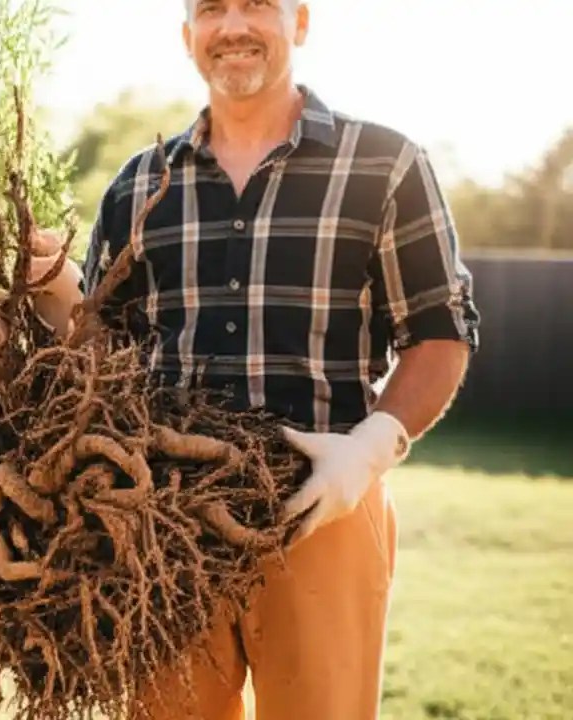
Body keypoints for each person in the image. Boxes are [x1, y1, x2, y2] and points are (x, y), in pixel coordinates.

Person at [26, 0, 480, 718]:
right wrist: (55, 293)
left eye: (257, 5)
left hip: (323, 516)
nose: (233, 25)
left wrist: (368, 449)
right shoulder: (138, 187)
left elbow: (440, 333)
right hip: (161, 530)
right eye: (212, 9)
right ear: (187, 37)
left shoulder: (386, 166)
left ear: (300, 22)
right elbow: (102, 356)